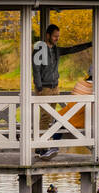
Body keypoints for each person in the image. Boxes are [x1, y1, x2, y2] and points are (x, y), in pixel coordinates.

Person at [34, 23, 91, 160]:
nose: (56, 39)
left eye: (58, 36)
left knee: (54, 117)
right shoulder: (39, 49)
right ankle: (41, 147)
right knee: (45, 117)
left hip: (55, 87)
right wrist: (39, 86)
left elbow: (71, 49)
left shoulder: (56, 50)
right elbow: (35, 69)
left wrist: (89, 44)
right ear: (48, 35)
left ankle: (45, 144)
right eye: (54, 36)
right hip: (45, 88)